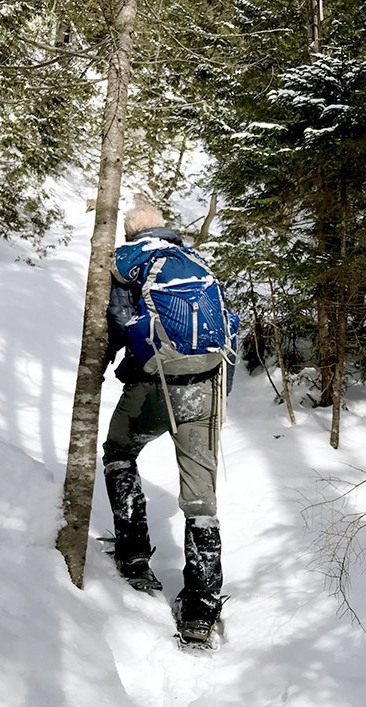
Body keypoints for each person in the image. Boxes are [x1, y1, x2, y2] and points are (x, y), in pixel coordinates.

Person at [102, 204, 224, 643]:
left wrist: (105, 364)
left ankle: (134, 557)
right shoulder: (194, 260)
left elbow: (117, 322)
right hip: (207, 384)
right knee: (200, 500)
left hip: (154, 386)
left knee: (119, 452)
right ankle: (200, 609)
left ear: (130, 232)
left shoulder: (129, 263)